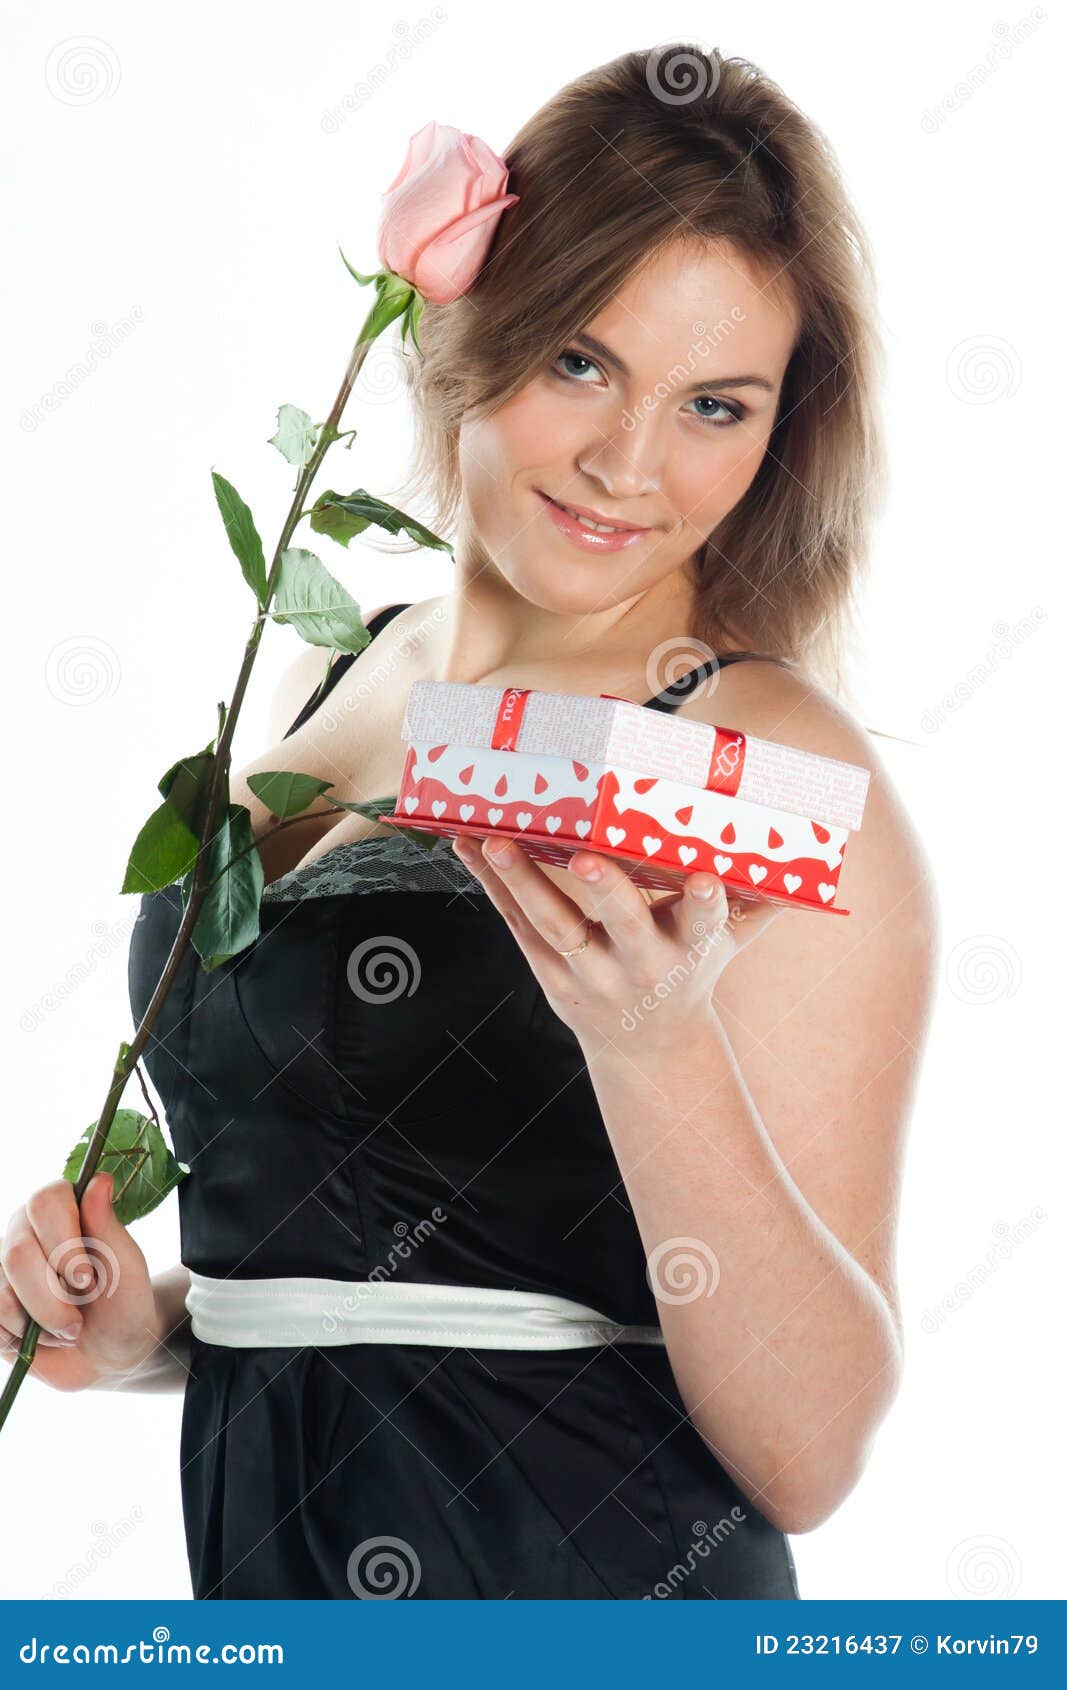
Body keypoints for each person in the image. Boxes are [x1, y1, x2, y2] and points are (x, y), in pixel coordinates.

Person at [0, 45, 937, 1599]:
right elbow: (396, 1252)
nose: (630, 464)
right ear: (467, 320)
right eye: (582, 360)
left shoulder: (755, 757)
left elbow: (815, 1446)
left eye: (715, 403)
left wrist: (658, 1046)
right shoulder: (323, 663)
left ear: (783, 428)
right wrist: (153, 1325)